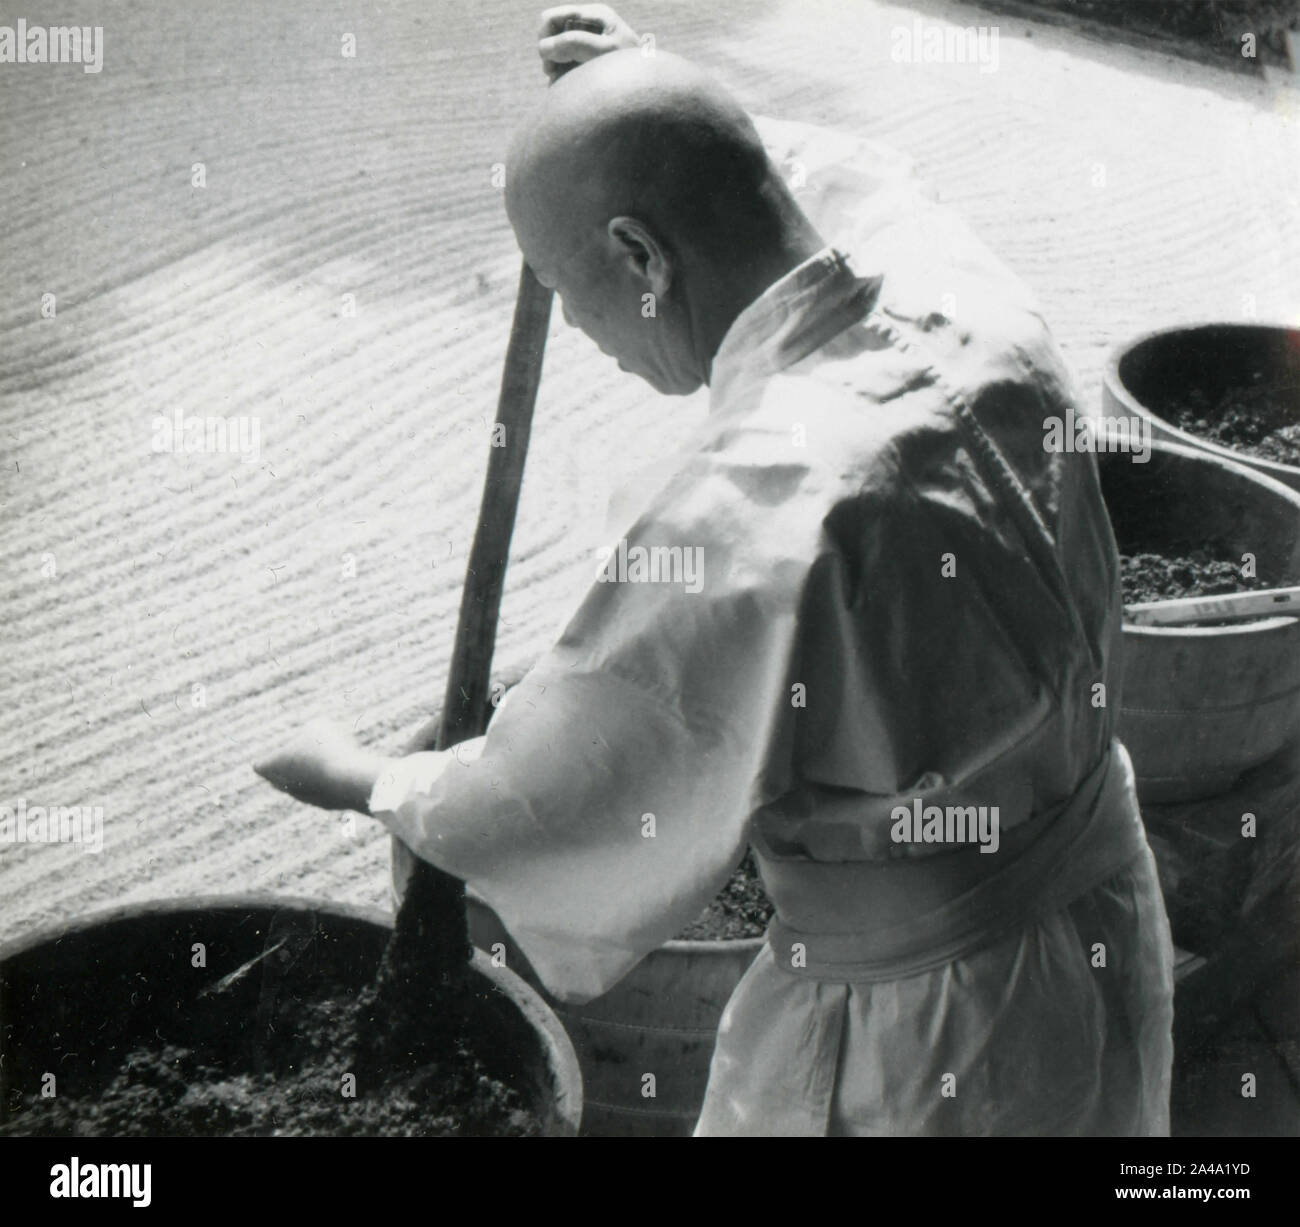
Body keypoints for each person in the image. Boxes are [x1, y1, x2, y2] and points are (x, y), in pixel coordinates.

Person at [256, 7, 1174, 1136]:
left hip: (935, 1033)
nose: (580, 325)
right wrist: (644, 88)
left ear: (639, 256)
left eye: (559, 281)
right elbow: (830, 184)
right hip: (1098, 901)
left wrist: (361, 779)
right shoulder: (971, 298)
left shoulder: (758, 506)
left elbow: (557, 788)